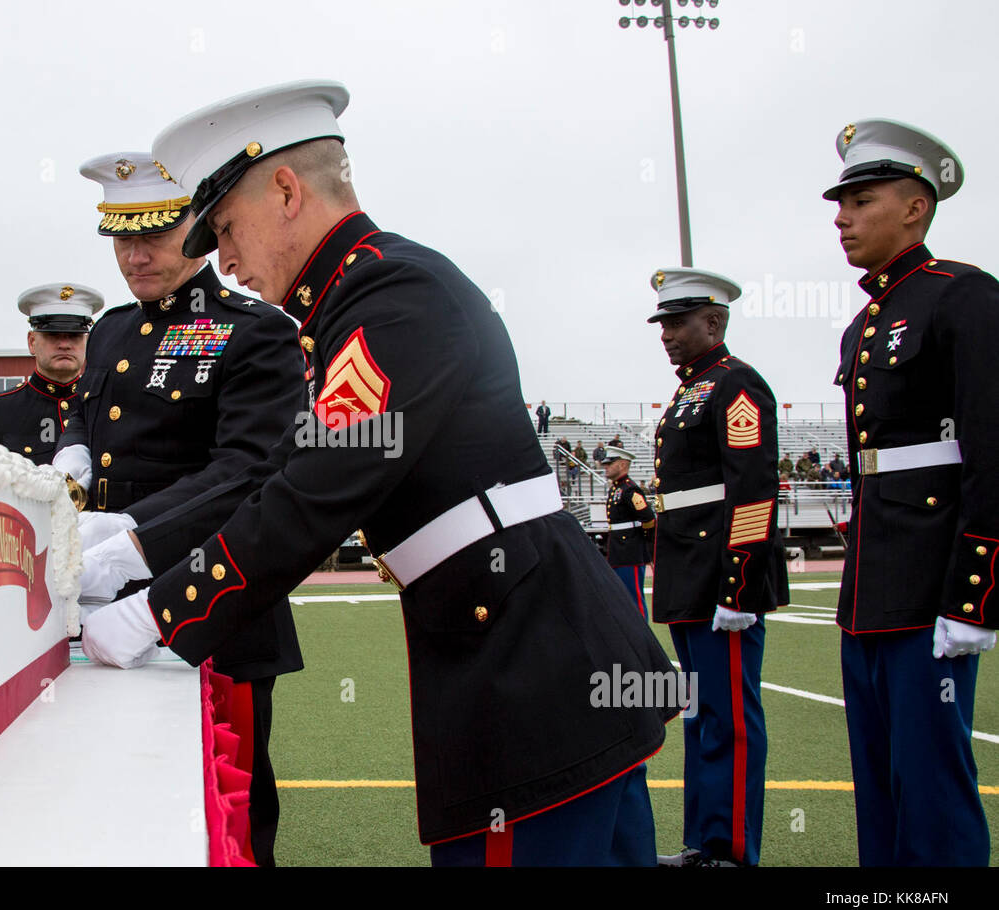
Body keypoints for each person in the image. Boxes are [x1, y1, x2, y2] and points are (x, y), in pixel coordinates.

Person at [79, 81, 678, 866]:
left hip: (528, 672)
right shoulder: (350, 303)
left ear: (286, 191)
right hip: (518, 647)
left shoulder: (390, 293)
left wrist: (157, 611)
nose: (223, 258)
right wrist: (132, 553)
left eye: (225, 227)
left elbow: (315, 492)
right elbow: (287, 475)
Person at [52, 151, 306, 867]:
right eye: (120, 238)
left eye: (154, 235)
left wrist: (134, 532)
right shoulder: (107, 331)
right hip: (103, 601)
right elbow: (87, 416)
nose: (134, 255)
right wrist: (72, 450)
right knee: (119, 796)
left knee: (228, 806)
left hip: (215, 604)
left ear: (197, 227)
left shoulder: (255, 330)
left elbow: (249, 469)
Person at [824, 118, 995, 865]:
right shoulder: (863, 323)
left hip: (931, 583)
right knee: (880, 784)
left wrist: (974, 597)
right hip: (871, 580)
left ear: (916, 206)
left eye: (861, 199)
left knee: (931, 783)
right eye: (841, 202)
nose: (842, 216)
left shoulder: (963, 296)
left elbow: (991, 451)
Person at [646, 267, 790, 867]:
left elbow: (753, 490)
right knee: (703, 714)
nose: (666, 334)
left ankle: (730, 850)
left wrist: (737, 586)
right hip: (689, 566)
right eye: (663, 323)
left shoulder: (737, 385)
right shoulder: (693, 389)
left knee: (729, 717)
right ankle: (703, 844)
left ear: (715, 320)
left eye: (678, 322)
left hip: (720, 574)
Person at [0, 283, 99, 465]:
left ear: (87, 342)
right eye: (53, 335)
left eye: (74, 335)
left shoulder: (101, 407)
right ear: (31, 342)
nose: (65, 344)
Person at [602, 446, 655, 619]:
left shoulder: (630, 490)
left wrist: (645, 543)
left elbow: (648, 518)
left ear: (623, 464)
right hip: (619, 550)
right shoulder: (616, 489)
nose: (606, 466)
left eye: (611, 463)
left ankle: (643, 642)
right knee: (621, 600)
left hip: (630, 551)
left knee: (634, 601)